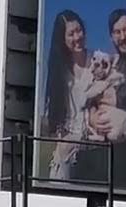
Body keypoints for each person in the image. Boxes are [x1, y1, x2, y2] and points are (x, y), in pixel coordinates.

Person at [82, 8, 126, 186]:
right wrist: (92, 116)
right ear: (111, 36)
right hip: (93, 160)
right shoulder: (110, 62)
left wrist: (90, 98)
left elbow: (111, 98)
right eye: (117, 32)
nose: (122, 37)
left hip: (115, 169)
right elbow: (91, 99)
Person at [41, 10, 91, 181]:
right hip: (68, 145)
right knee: (60, 167)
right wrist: (65, 140)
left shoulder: (98, 62)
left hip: (93, 139)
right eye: (71, 34)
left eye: (79, 30)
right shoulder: (59, 71)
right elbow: (55, 117)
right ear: (62, 39)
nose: (77, 37)